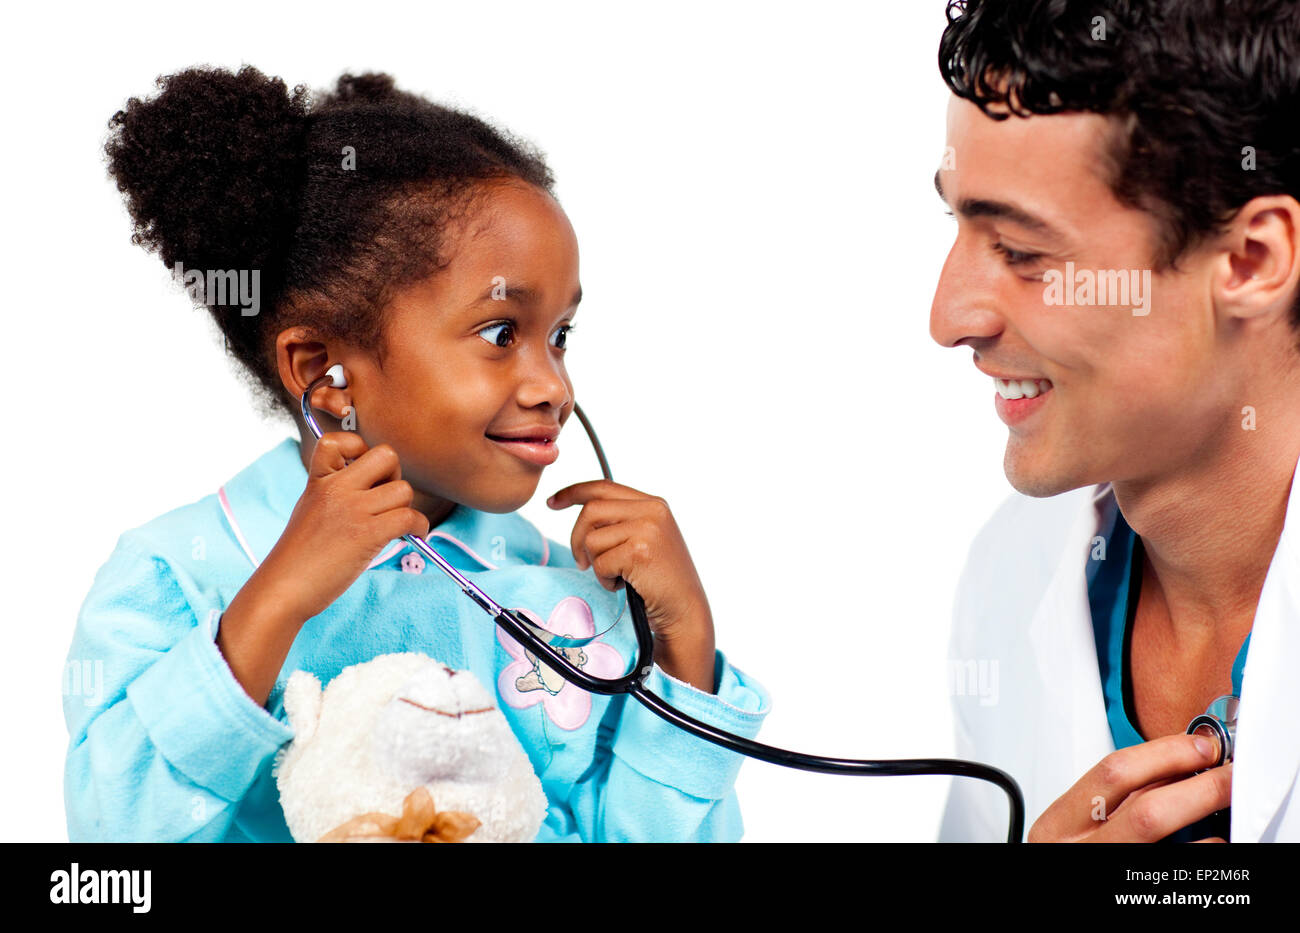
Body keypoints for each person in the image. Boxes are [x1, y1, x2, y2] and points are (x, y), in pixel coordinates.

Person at [64, 66, 769, 843]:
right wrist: (272, 605)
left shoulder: (566, 597)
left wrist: (685, 648)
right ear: (324, 373)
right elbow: (108, 849)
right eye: (502, 334)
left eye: (559, 336)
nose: (553, 385)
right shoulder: (174, 578)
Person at [930, 0, 1300, 842]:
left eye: (1022, 252)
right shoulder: (1012, 573)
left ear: (1249, 261)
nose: (948, 316)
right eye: (954, 222)